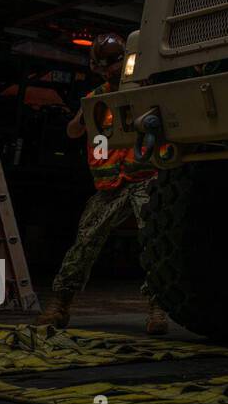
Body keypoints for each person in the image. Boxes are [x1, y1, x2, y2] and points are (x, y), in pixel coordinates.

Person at [35, 33, 168, 335]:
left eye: (113, 64)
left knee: (155, 239)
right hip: (110, 186)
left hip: (144, 177)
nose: (109, 71)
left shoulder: (147, 92)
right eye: (103, 67)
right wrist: (83, 117)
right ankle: (60, 304)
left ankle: (159, 307)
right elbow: (72, 132)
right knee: (85, 241)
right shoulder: (97, 99)